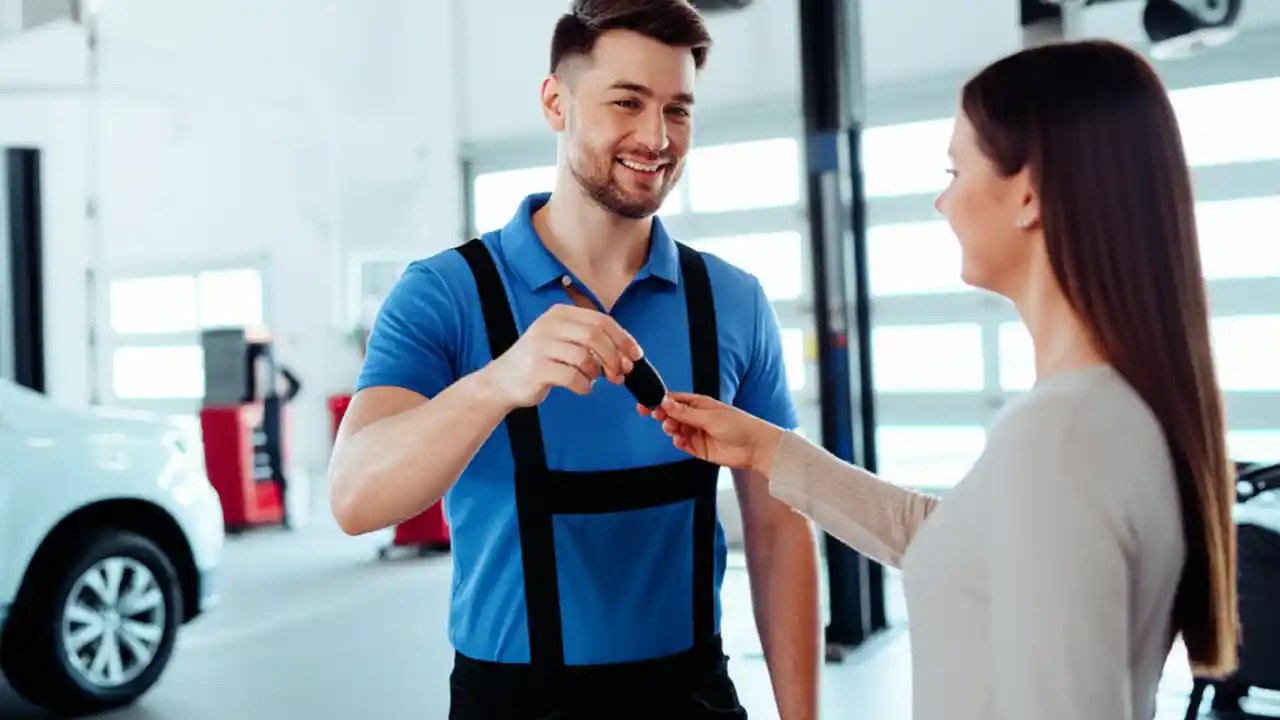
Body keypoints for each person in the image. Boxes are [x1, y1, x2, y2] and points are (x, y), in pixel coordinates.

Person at [643, 39, 1239, 719]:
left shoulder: (1064, 433)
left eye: (955, 171)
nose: (941, 202)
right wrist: (767, 449)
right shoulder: (1100, 415)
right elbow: (960, 540)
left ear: (1028, 194)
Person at [328, 1, 820, 717]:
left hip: (692, 697)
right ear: (556, 102)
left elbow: (778, 529)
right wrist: (496, 383)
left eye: (678, 111)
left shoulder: (733, 302)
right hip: (513, 701)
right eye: (628, 102)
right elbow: (354, 500)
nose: (656, 138)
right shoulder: (446, 294)